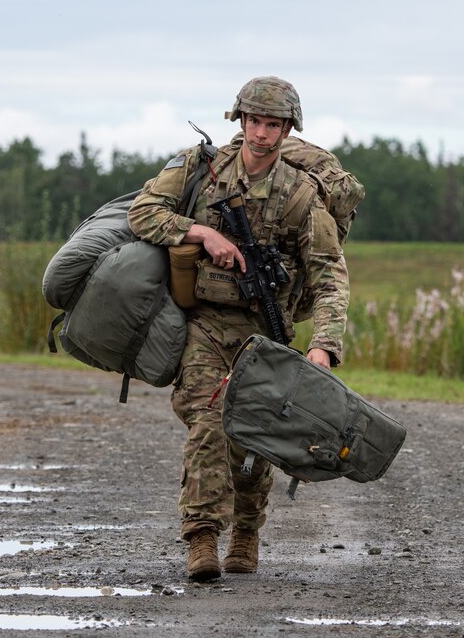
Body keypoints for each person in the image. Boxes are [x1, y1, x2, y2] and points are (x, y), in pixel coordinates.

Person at [127, 76, 350, 581]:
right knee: (209, 422)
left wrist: (324, 346)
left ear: (287, 128)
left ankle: (246, 532)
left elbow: (330, 274)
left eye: (274, 125)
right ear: (240, 120)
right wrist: (200, 232)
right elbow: (144, 213)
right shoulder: (201, 169)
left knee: (251, 437)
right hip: (205, 323)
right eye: (255, 121)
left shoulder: (301, 196)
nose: (263, 134)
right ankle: (202, 537)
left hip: (264, 335)